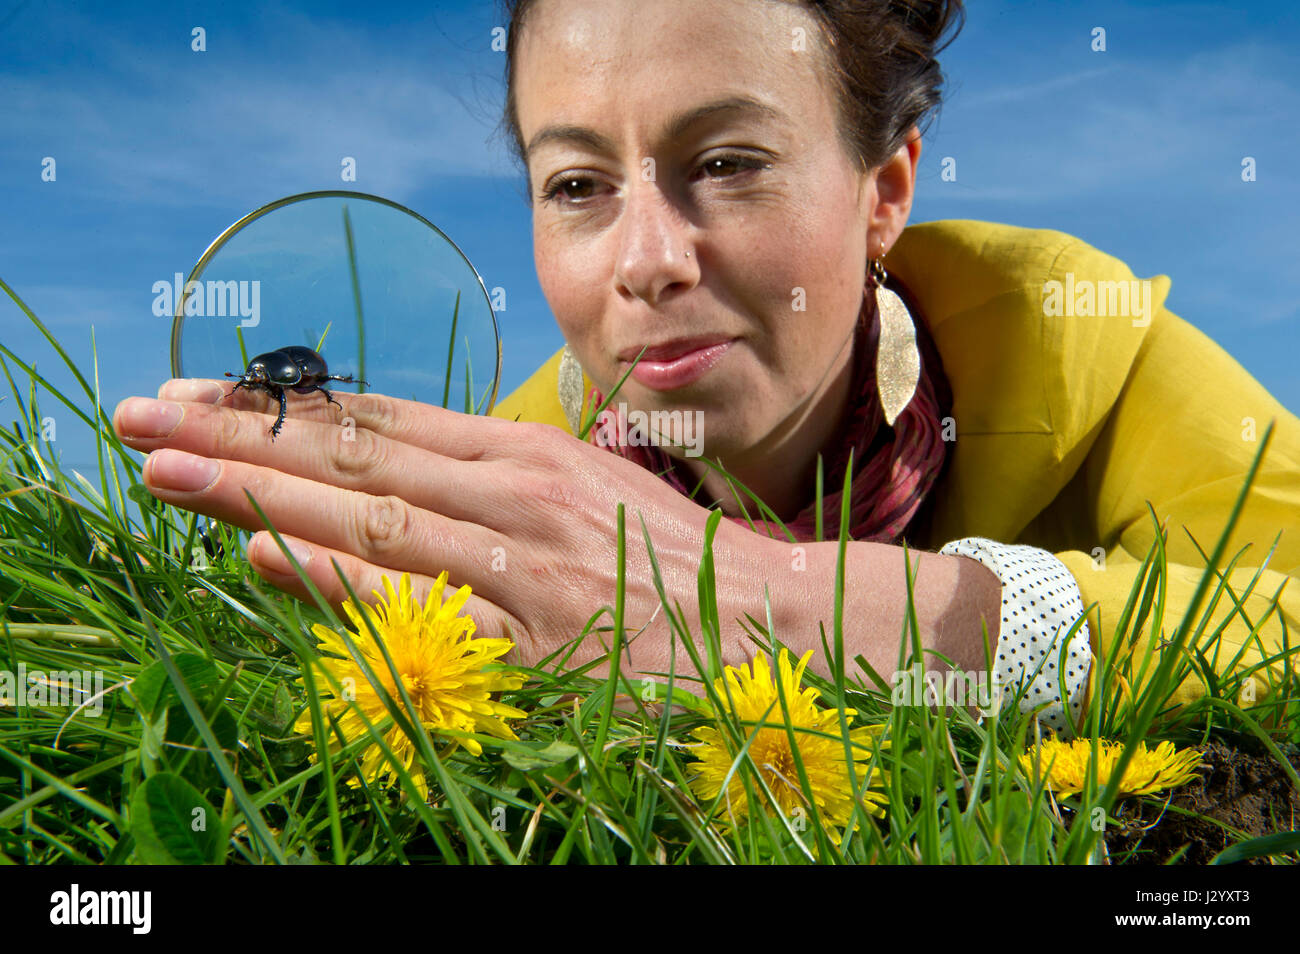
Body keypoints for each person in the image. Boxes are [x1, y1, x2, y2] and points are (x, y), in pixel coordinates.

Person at [112, 0, 1300, 739]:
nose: (646, 261)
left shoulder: (1091, 352)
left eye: (728, 162)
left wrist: (817, 609)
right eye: (576, 185)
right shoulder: (503, 503)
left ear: (883, 190)